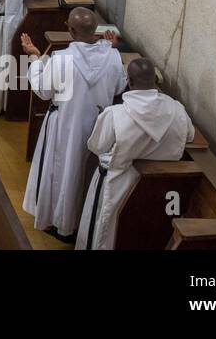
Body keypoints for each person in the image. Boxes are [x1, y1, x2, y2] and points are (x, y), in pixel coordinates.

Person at [20, 8, 126, 241]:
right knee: (83, 174)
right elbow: (119, 88)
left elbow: (43, 91)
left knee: (61, 172)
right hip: (98, 128)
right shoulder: (112, 56)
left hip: (64, 125)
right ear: (95, 30)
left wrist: (36, 58)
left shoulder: (61, 59)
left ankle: (58, 222)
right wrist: (112, 48)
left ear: (70, 30)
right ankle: (78, 223)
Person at [78, 58, 194, 250]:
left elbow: (96, 146)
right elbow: (188, 135)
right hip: (159, 189)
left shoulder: (115, 114)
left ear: (129, 82)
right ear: (155, 80)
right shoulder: (177, 110)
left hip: (119, 185)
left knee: (108, 234)